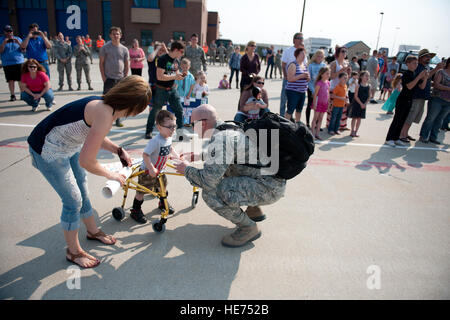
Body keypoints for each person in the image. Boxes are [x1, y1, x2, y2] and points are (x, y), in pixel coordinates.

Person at [27, 75, 151, 268]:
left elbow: (94, 135)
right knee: (72, 200)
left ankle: (92, 231)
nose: (135, 114)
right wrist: (112, 175)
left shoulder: (105, 106)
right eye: (139, 109)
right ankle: (73, 252)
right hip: (47, 149)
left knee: (82, 189)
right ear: (132, 104)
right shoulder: (105, 113)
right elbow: (87, 161)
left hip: (68, 145)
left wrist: (117, 149)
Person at [174, 104, 287, 248]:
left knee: (211, 193)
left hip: (269, 188)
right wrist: (200, 155)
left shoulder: (221, 140)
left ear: (202, 124)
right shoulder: (230, 126)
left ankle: (248, 228)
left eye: (192, 124)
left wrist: (186, 170)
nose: (191, 129)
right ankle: (254, 209)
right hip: (270, 180)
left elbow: (208, 181)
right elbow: (233, 154)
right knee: (228, 170)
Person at [130, 110, 180, 224]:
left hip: (160, 171)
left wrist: (177, 158)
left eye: (174, 126)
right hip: (147, 172)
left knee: (163, 188)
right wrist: (151, 168)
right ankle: (135, 210)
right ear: (159, 127)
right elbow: (145, 155)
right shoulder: (155, 141)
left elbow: (170, 148)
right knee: (141, 192)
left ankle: (162, 203)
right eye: (170, 127)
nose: (173, 129)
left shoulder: (169, 137)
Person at [399, 49, 444, 143]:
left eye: (429, 57)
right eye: (426, 56)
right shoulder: (418, 67)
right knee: (410, 116)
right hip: (416, 95)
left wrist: (434, 72)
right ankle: (402, 134)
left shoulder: (425, 67)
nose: (429, 58)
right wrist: (435, 70)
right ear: (421, 58)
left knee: (414, 116)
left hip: (422, 96)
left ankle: (405, 133)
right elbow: (422, 78)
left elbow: (426, 77)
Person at [385, 55, 428, 147]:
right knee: (397, 119)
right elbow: (409, 86)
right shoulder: (406, 74)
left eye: (416, 63)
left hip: (410, 100)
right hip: (402, 99)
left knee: (403, 120)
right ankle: (389, 138)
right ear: (408, 64)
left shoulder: (415, 74)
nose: (416, 65)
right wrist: (419, 76)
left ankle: (396, 138)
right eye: (414, 63)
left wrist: (425, 78)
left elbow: (422, 87)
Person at [146, 41, 186, 140]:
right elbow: (160, 76)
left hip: (172, 89)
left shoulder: (176, 60)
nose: (182, 54)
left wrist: (180, 75)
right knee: (156, 110)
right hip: (161, 89)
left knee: (179, 110)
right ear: (176, 50)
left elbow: (175, 72)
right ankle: (149, 131)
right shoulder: (162, 59)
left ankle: (180, 134)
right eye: (181, 51)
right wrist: (174, 76)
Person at [99, 26, 129, 127]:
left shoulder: (124, 49)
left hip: (120, 78)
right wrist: (104, 78)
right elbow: (101, 63)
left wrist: (125, 77)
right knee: (106, 100)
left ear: (120, 35)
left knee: (119, 100)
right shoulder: (105, 48)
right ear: (110, 35)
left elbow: (126, 64)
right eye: (114, 34)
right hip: (109, 79)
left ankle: (117, 120)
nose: (116, 35)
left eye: (117, 34)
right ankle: (104, 119)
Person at [419, 58, 450, 144]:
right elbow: (436, 84)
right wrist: (448, 88)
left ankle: (433, 137)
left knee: (440, 119)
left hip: (448, 101)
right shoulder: (441, 72)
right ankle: (424, 136)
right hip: (437, 98)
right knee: (431, 118)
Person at [280, 33, 305, 117]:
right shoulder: (288, 50)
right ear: (294, 40)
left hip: (299, 83)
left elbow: (305, 66)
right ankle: (281, 117)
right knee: (284, 99)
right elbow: (283, 65)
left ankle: (290, 118)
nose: (301, 39)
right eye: (299, 38)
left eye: (302, 38)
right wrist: (286, 76)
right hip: (289, 80)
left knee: (294, 102)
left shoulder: (303, 52)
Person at [327, 46, 351, 130]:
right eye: (343, 51)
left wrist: (348, 72)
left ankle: (342, 125)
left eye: (346, 52)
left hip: (343, 88)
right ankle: (330, 125)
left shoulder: (346, 63)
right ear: (338, 53)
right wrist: (341, 70)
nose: (344, 53)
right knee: (332, 109)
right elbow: (331, 76)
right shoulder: (334, 63)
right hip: (334, 87)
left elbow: (347, 77)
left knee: (343, 108)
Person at [0, 25, 24, 101]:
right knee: (10, 80)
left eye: (10, 31)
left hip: (18, 62)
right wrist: (4, 43)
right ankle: (12, 95)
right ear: (4, 32)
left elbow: (23, 50)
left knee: (20, 79)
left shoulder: (18, 39)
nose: (9, 33)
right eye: (7, 31)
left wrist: (18, 43)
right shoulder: (1, 39)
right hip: (7, 63)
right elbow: (0, 51)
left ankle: (22, 94)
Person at [285, 47, 310, 123]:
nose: (304, 55)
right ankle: (285, 125)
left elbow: (308, 79)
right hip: (293, 91)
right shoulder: (293, 64)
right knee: (290, 110)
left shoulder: (304, 65)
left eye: (304, 54)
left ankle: (297, 125)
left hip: (302, 92)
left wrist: (308, 78)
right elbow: (289, 79)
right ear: (297, 55)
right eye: (302, 54)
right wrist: (301, 76)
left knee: (299, 110)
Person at [306, 49, 326, 128]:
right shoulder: (311, 65)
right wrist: (313, 91)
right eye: (318, 56)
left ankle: (316, 124)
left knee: (318, 107)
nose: (319, 58)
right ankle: (307, 123)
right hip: (311, 89)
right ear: (315, 56)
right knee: (310, 105)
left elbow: (325, 79)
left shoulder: (324, 65)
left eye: (321, 56)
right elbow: (309, 79)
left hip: (321, 90)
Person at [310, 66, 331, 140]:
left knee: (321, 118)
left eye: (329, 74)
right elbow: (315, 95)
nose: (328, 75)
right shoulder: (319, 83)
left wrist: (328, 103)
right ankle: (312, 133)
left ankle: (317, 134)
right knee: (315, 118)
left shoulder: (328, 83)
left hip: (324, 103)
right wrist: (315, 104)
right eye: (327, 74)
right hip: (318, 103)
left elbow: (328, 94)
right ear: (322, 74)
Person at [349, 71, 370, 137]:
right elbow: (355, 96)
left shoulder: (369, 86)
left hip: (363, 104)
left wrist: (365, 104)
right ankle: (352, 131)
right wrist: (361, 104)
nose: (367, 77)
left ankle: (356, 131)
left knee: (359, 118)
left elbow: (369, 96)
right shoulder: (358, 85)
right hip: (357, 103)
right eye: (366, 75)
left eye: (368, 76)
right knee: (354, 117)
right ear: (361, 77)